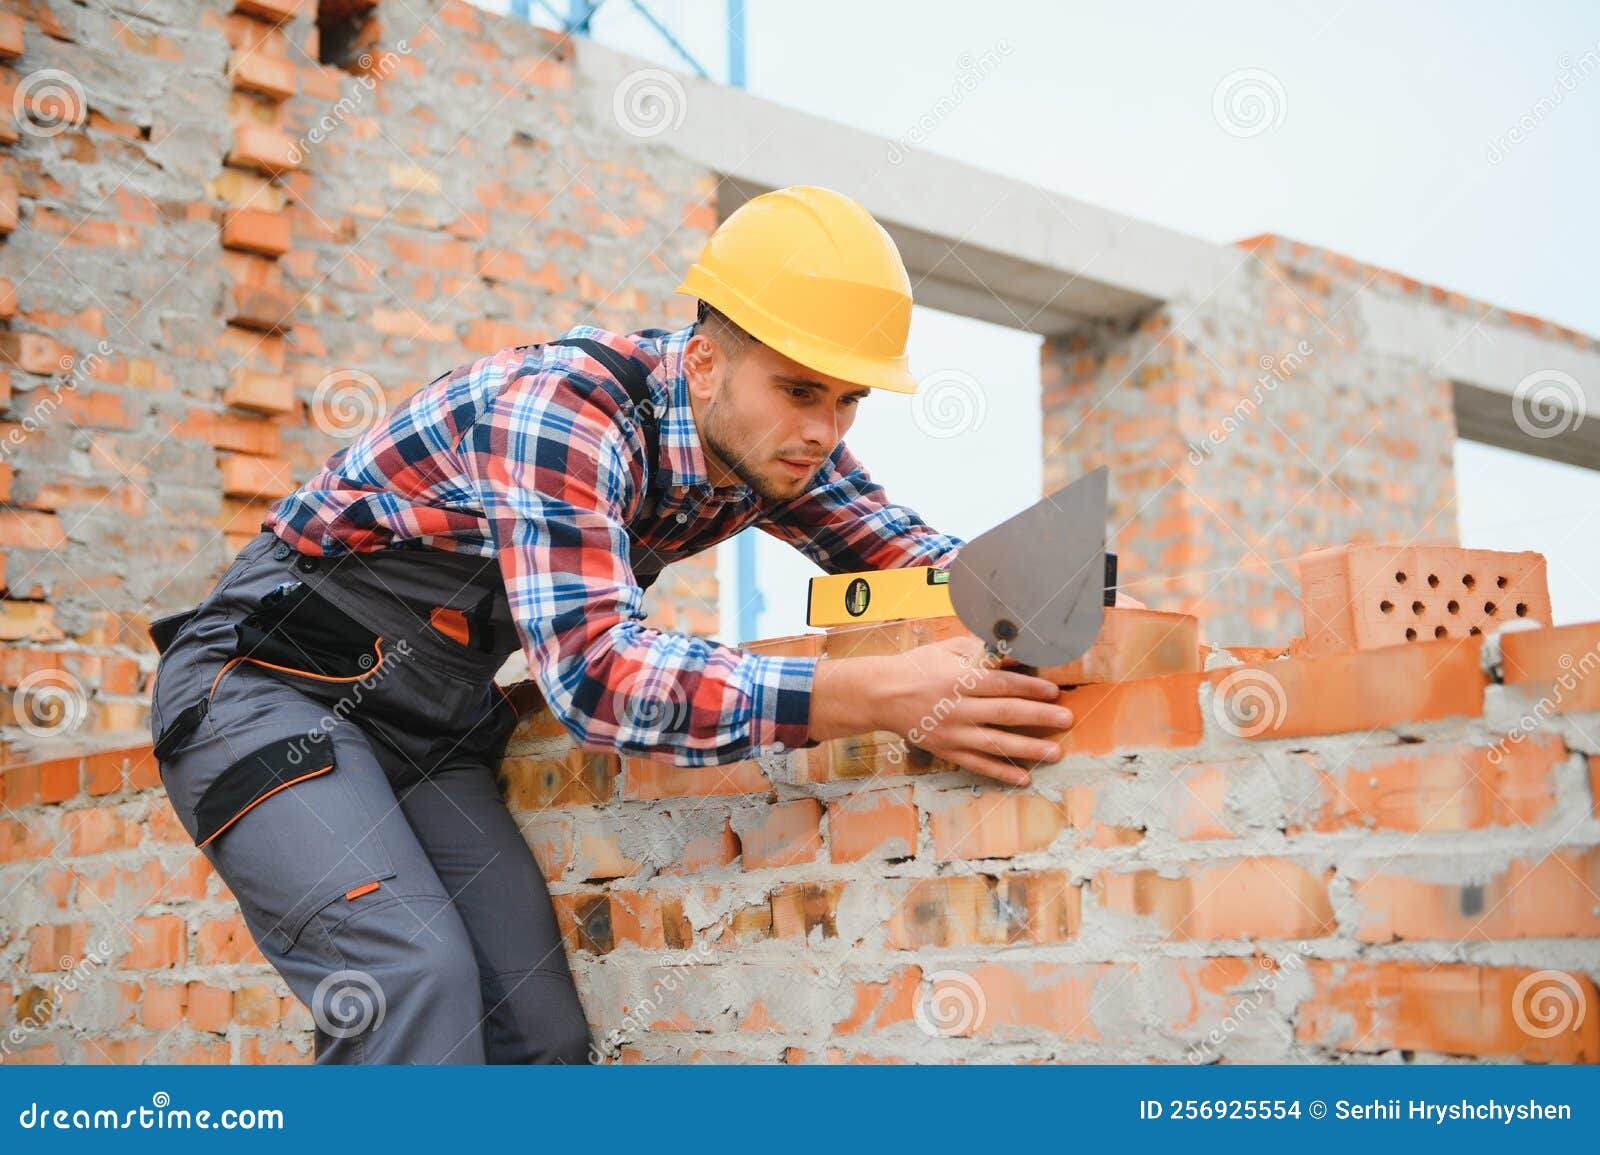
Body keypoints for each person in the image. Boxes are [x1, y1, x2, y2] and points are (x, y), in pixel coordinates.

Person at [146, 185, 1099, 1064]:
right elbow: (598, 673)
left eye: (848, 399)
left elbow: (918, 565)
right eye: (801, 390)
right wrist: (872, 693)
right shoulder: (563, 408)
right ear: (705, 359)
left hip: (424, 727)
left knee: (539, 1029)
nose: (824, 427)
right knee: (409, 983)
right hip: (269, 690)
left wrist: (1074, 594)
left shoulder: (774, 449)